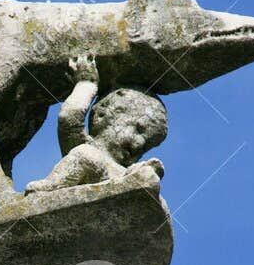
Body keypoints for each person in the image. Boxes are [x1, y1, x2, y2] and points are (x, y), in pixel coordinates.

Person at [26, 55, 168, 194]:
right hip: (100, 191)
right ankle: (51, 188)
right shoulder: (82, 146)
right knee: (85, 153)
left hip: (120, 193)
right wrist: (86, 84)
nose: (138, 145)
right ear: (102, 115)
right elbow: (69, 118)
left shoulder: (123, 171)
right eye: (138, 130)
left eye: (146, 146)